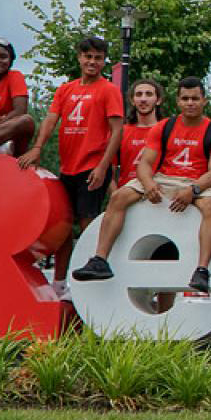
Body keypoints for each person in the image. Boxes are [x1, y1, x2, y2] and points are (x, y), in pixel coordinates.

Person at [71, 77, 211, 292]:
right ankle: (99, 259)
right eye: (185, 98)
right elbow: (145, 163)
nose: (190, 103)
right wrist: (148, 184)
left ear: (204, 101)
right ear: (178, 101)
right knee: (119, 197)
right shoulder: (165, 127)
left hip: (196, 181)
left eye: (195, 98)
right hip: (163, 177)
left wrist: (193, 190)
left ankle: (201, 270)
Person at [19, 36, 125, 278]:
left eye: (98, 58)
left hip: (92, 164)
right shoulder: (66, 89)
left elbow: (117, 130)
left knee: (87, 220)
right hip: (68, 167)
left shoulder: (108, 90)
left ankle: (95, 266)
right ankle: (59, 280)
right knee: (62, 226)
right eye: (88, 57)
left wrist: (103, 167)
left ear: (104, 61)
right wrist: (37, 147)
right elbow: (50, 119)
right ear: (79, 57)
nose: (92, 62)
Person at [116, 78, 167, 188]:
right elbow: (108, 170)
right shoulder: (121, 132)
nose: (143, 99)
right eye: (139, 94)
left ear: (158, 100)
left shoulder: (168, 131)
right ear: (132, 100)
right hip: (126, 194)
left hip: (158, 193)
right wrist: (115, 194)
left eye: (149, 94)